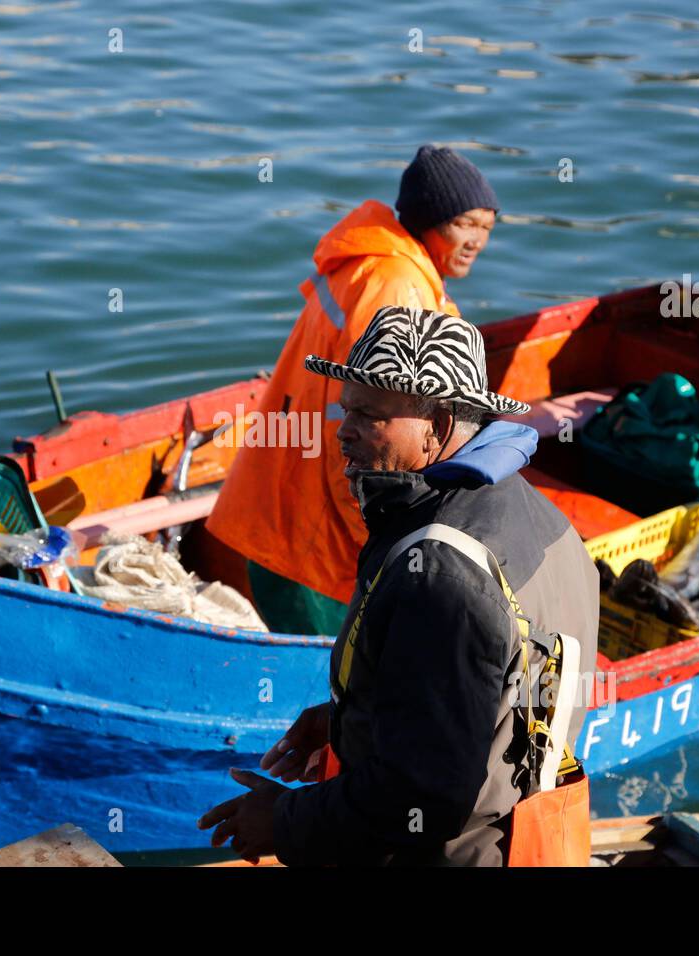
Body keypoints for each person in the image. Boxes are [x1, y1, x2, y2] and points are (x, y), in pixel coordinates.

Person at [197, 307, 600, 866]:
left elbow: (424, 796)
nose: (344, 433)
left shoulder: (440, 571)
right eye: (346, 410)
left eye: (368, 414)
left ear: (435, 425)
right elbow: (484, 696)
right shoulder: (538, 514)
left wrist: (283, 820)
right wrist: (351, 717)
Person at [205, 146, 500, 634]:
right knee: (337, 684)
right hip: (315, 533)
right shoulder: (396, 287)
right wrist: (385, 535)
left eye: (487, 228)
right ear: (430, 219)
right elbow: (372, 422)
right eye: (465, 224)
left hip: (285, 501)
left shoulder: (371, 264)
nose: (477, 241)